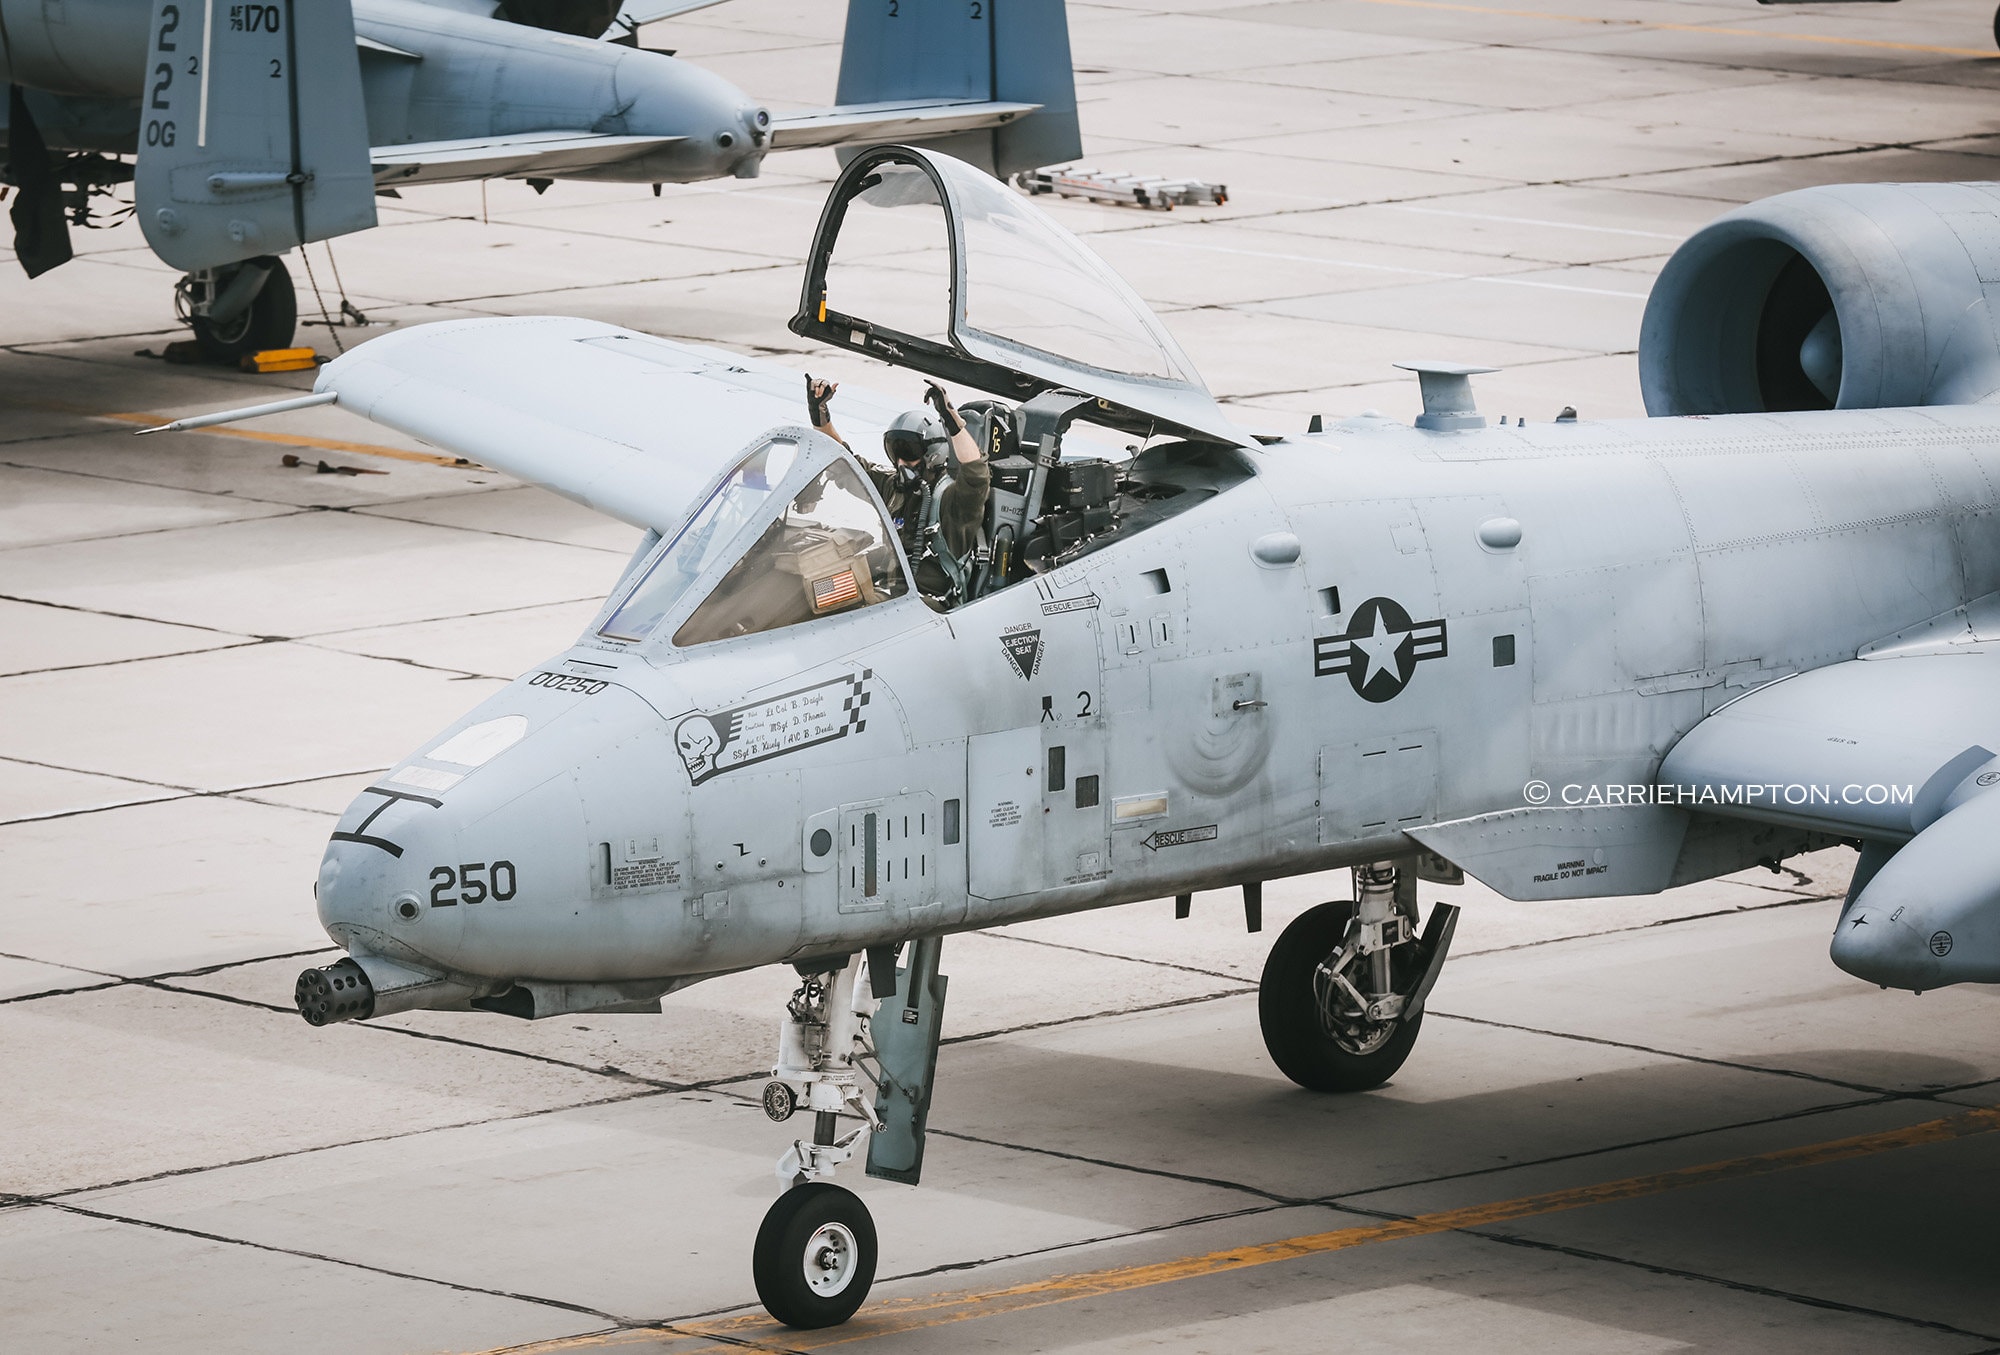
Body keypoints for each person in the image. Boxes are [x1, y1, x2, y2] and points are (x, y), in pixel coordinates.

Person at [807, 375, 992, 601]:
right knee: (819, 593)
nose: (901, 462)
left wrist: (950, 417)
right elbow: (845, 464)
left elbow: (976, 474)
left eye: (909, 453)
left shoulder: (953, 501)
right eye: (896, 453)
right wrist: (819, 413)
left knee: (850, 609)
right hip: (895, 592)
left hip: (931, 604)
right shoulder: (894, 488)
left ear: (932, 454)